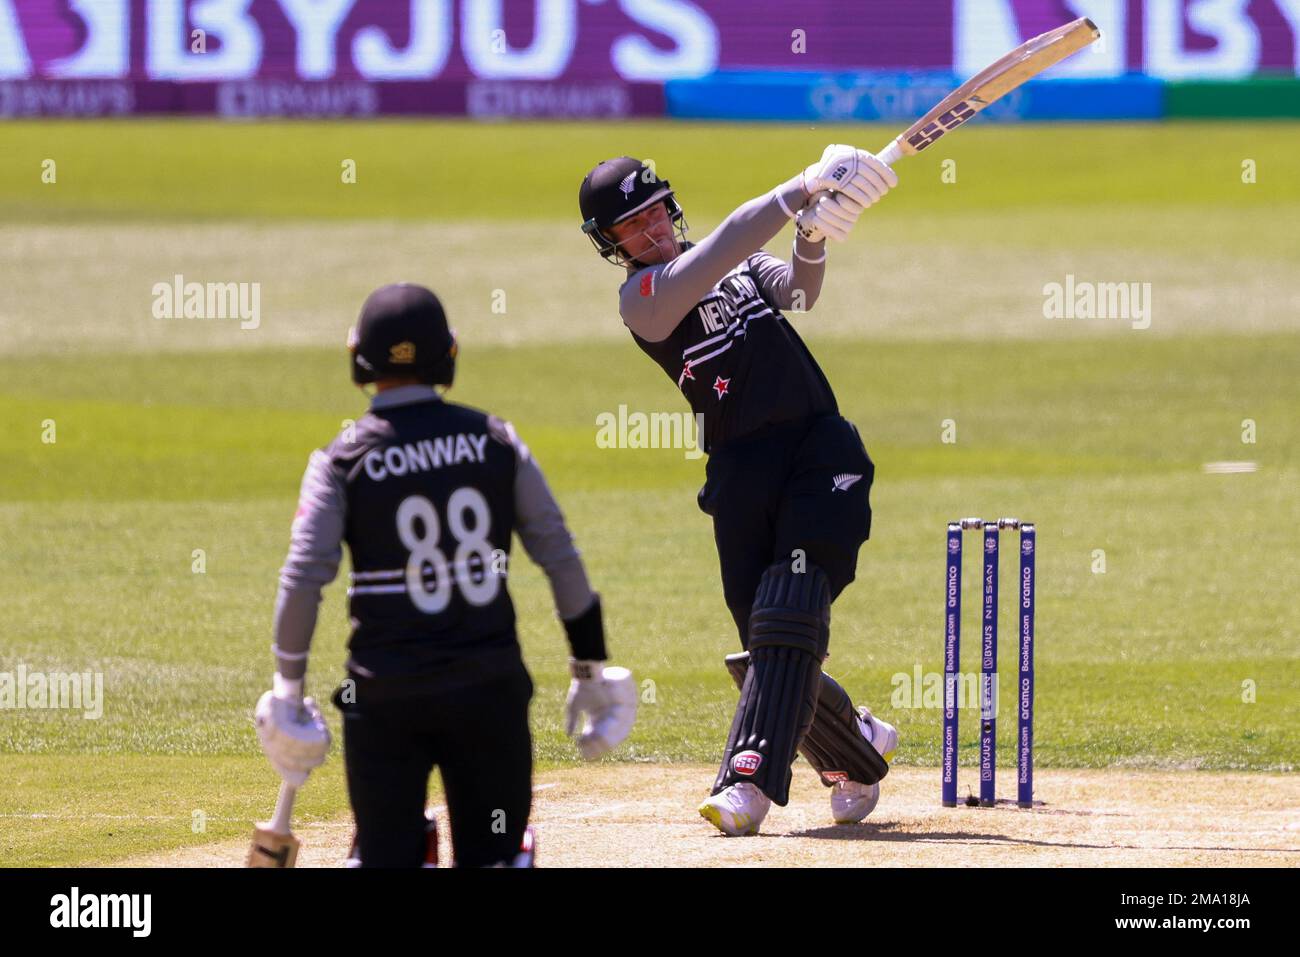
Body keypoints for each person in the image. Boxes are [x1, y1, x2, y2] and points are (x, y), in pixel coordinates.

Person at [254, 282, 635, 866]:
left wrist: (288, 690)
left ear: (359, 358)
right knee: (495, 856)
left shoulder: (340, 459)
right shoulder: (497, 440)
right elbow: (559, 555)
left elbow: (304, 576)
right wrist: (589, 666)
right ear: (448, 353)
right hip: (489, 689)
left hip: (384, 695)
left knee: (386, 856)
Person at [577, 146, 899, 836]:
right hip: (739, 471)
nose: (652, 228)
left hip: (819, 449)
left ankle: (747, 780)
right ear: (612, 245)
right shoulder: (643, 301)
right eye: (632, 226)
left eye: (656, 210)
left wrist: (811, 236)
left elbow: (802, 293)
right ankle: (857, 744)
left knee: (788, 610)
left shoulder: (742, 266)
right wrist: (803, 188)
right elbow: (724, 246)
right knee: (768, 641)